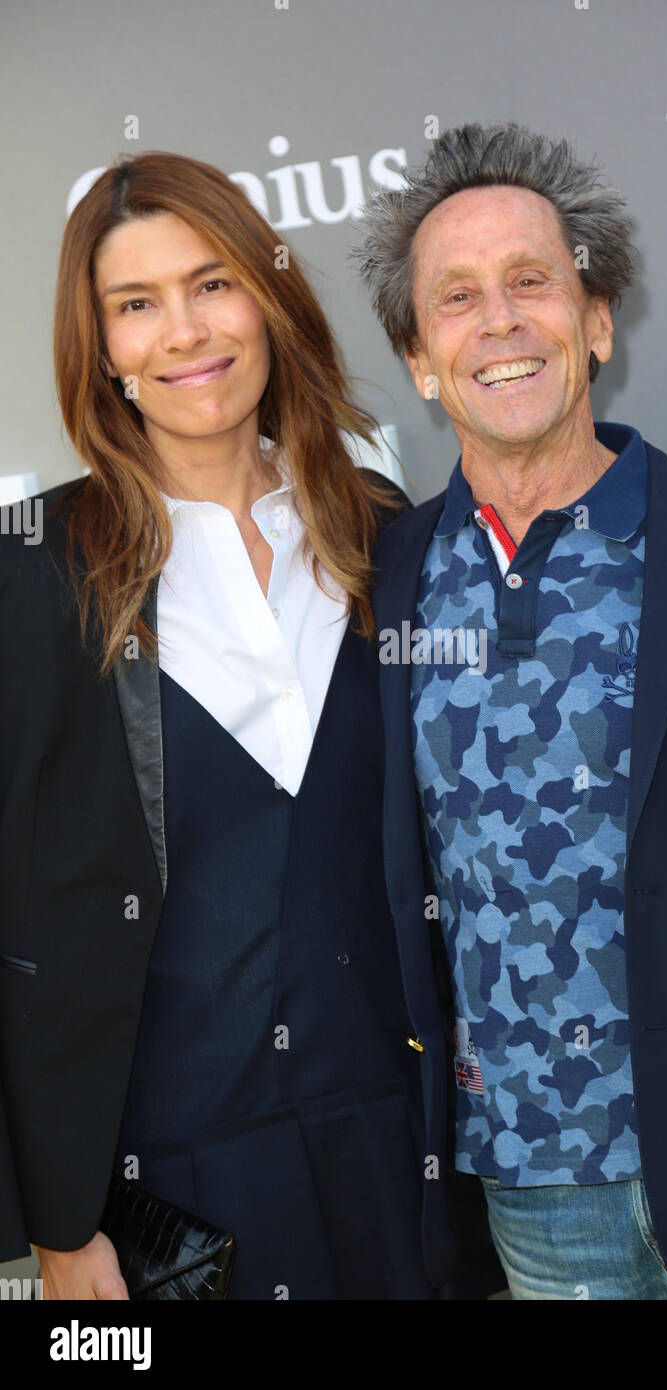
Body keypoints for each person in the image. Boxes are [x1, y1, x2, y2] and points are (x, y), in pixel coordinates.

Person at [354, 121, 667, 1301]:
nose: (499, 321)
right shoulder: (385, 576)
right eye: (456, 298)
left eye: (532, 281)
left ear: (595, 320)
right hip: (536, 1197)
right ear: (420, 357)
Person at [0, 150, 502, 1300]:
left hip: (403, 1158)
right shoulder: (28, 575)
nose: (183, 331)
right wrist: (55, 1224)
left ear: (270, 300)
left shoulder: (389, 537)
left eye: (212, 282)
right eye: (135, 304)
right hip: (163, 1196)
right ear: (102, 349)